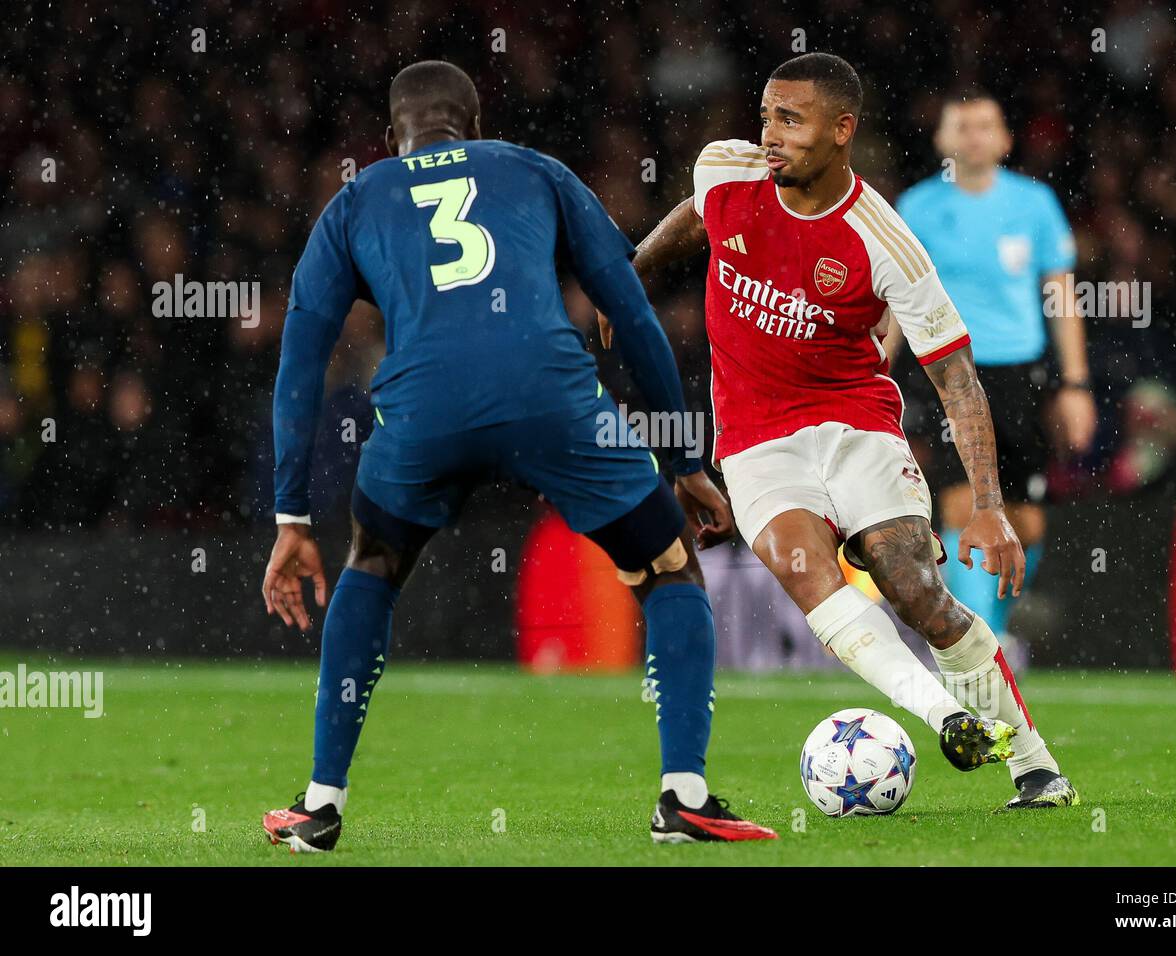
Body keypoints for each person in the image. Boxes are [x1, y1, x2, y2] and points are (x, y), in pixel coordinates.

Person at [260, 60, 776, 851]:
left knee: (370, 566)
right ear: (472, 123)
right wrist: (685, 457)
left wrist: (291, 515)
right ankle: (684, 795)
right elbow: (629, 309)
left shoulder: (357, 198)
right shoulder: (533, 169)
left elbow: (300, 363)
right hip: (549, 397)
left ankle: (321, 804)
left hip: (424, 409)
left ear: (394, 134)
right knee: (669, 567)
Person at [600, 53, 1075, 809]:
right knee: (802, 564)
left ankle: (1036, 765)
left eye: (790, 120)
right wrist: (627, 273)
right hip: (756, 440)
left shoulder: (882, 238)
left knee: (914, 586)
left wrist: (987, 501)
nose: (770, 135)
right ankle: (946, 716)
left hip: (856, 423)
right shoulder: (730, 171)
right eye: (766, 116)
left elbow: (955, 376)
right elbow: (699, 210)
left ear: (842, 129)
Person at [894, 88, 1095, 659]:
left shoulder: (1035, 205)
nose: (974, 136)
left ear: (1005, 139)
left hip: (1020, 375)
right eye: (962, 126)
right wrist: (876, 367)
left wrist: (1076, 385)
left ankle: (991, 630)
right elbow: (895, 297)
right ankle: (979, 647)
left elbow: (1061, 296)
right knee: (962, 506)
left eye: (985, 125)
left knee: (1026, 521)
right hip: (948, 369)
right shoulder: (917, 208)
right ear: (941, 139)